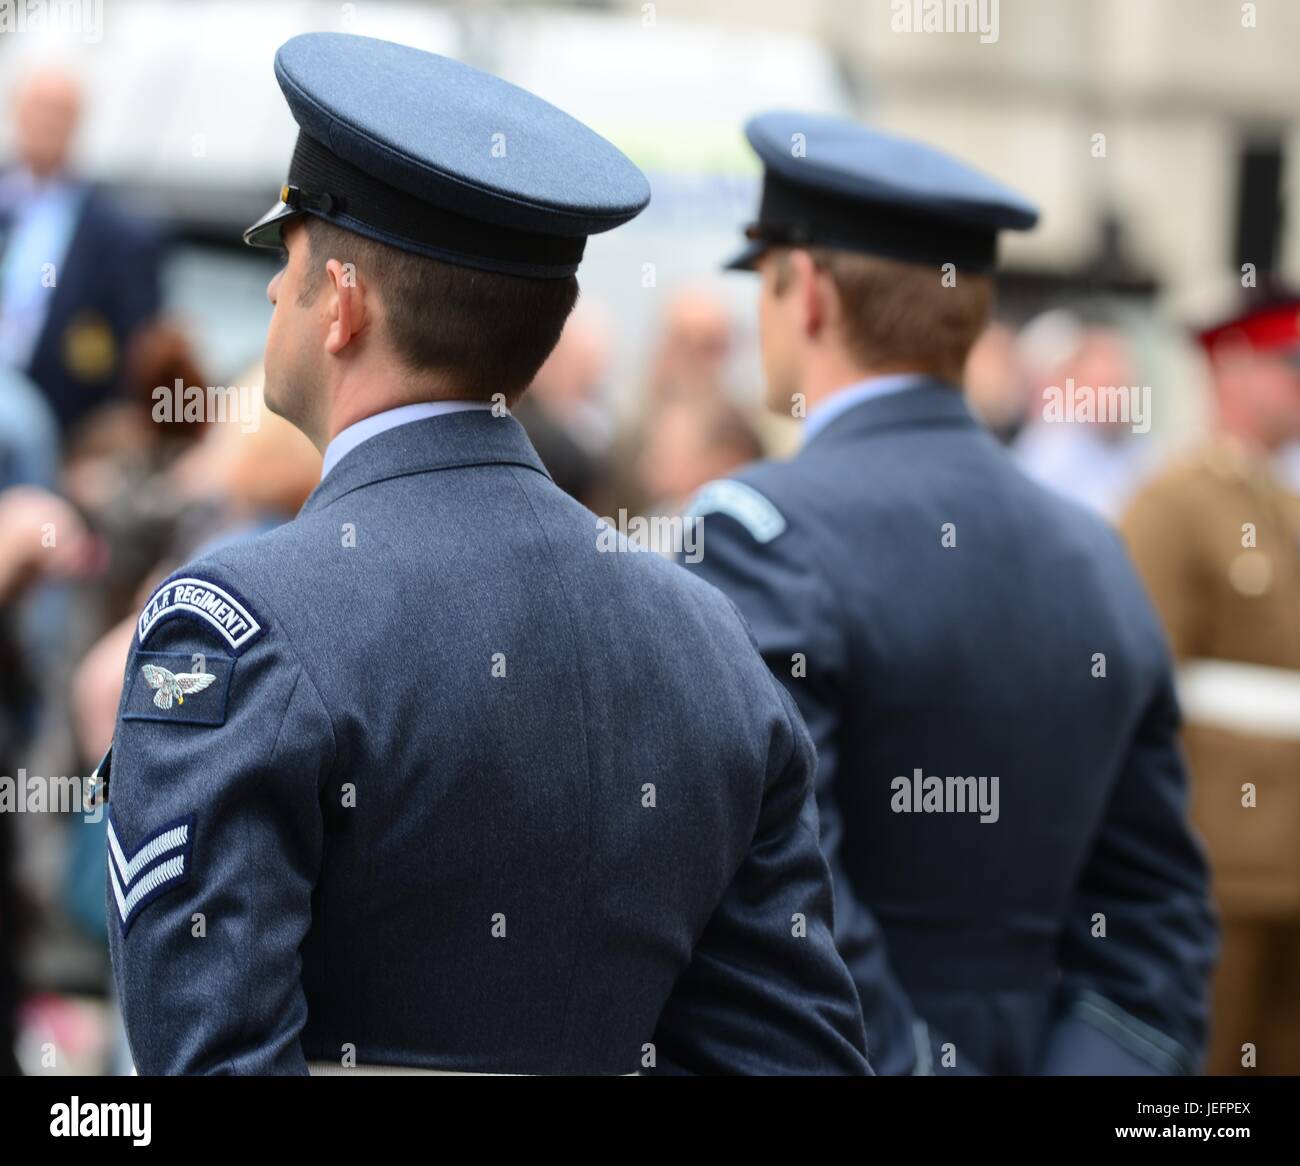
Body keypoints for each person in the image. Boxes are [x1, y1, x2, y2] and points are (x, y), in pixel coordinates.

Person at [99, 34, 869, 1076]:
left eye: (285, 257)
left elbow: (205, 1057)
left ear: (346, 304)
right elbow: (793, 1057)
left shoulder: (240, 623)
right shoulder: (706, 634)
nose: (274, 295)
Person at [681, 110, 1216, 1075]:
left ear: (804, 293)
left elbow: (775, 879)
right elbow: (1156, 910)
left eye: (761, 280)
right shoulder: (1094, 549)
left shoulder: (756, 533)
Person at [1121, 289, 1300, 1075]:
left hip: (1286, 857)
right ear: (1232, 369)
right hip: (1220, 850)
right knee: (1213, 1070)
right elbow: (1139, 682)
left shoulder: (1282, 504)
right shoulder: (1173, 504)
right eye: (1289, 366)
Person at [0, 68, 163, 437]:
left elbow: (137, 346)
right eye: (38, 110)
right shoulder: (8, 201)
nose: (46, 124)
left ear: (77, 124)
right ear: (16, 114)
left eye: (58, 113)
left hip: (57, 425)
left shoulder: (118, 231)